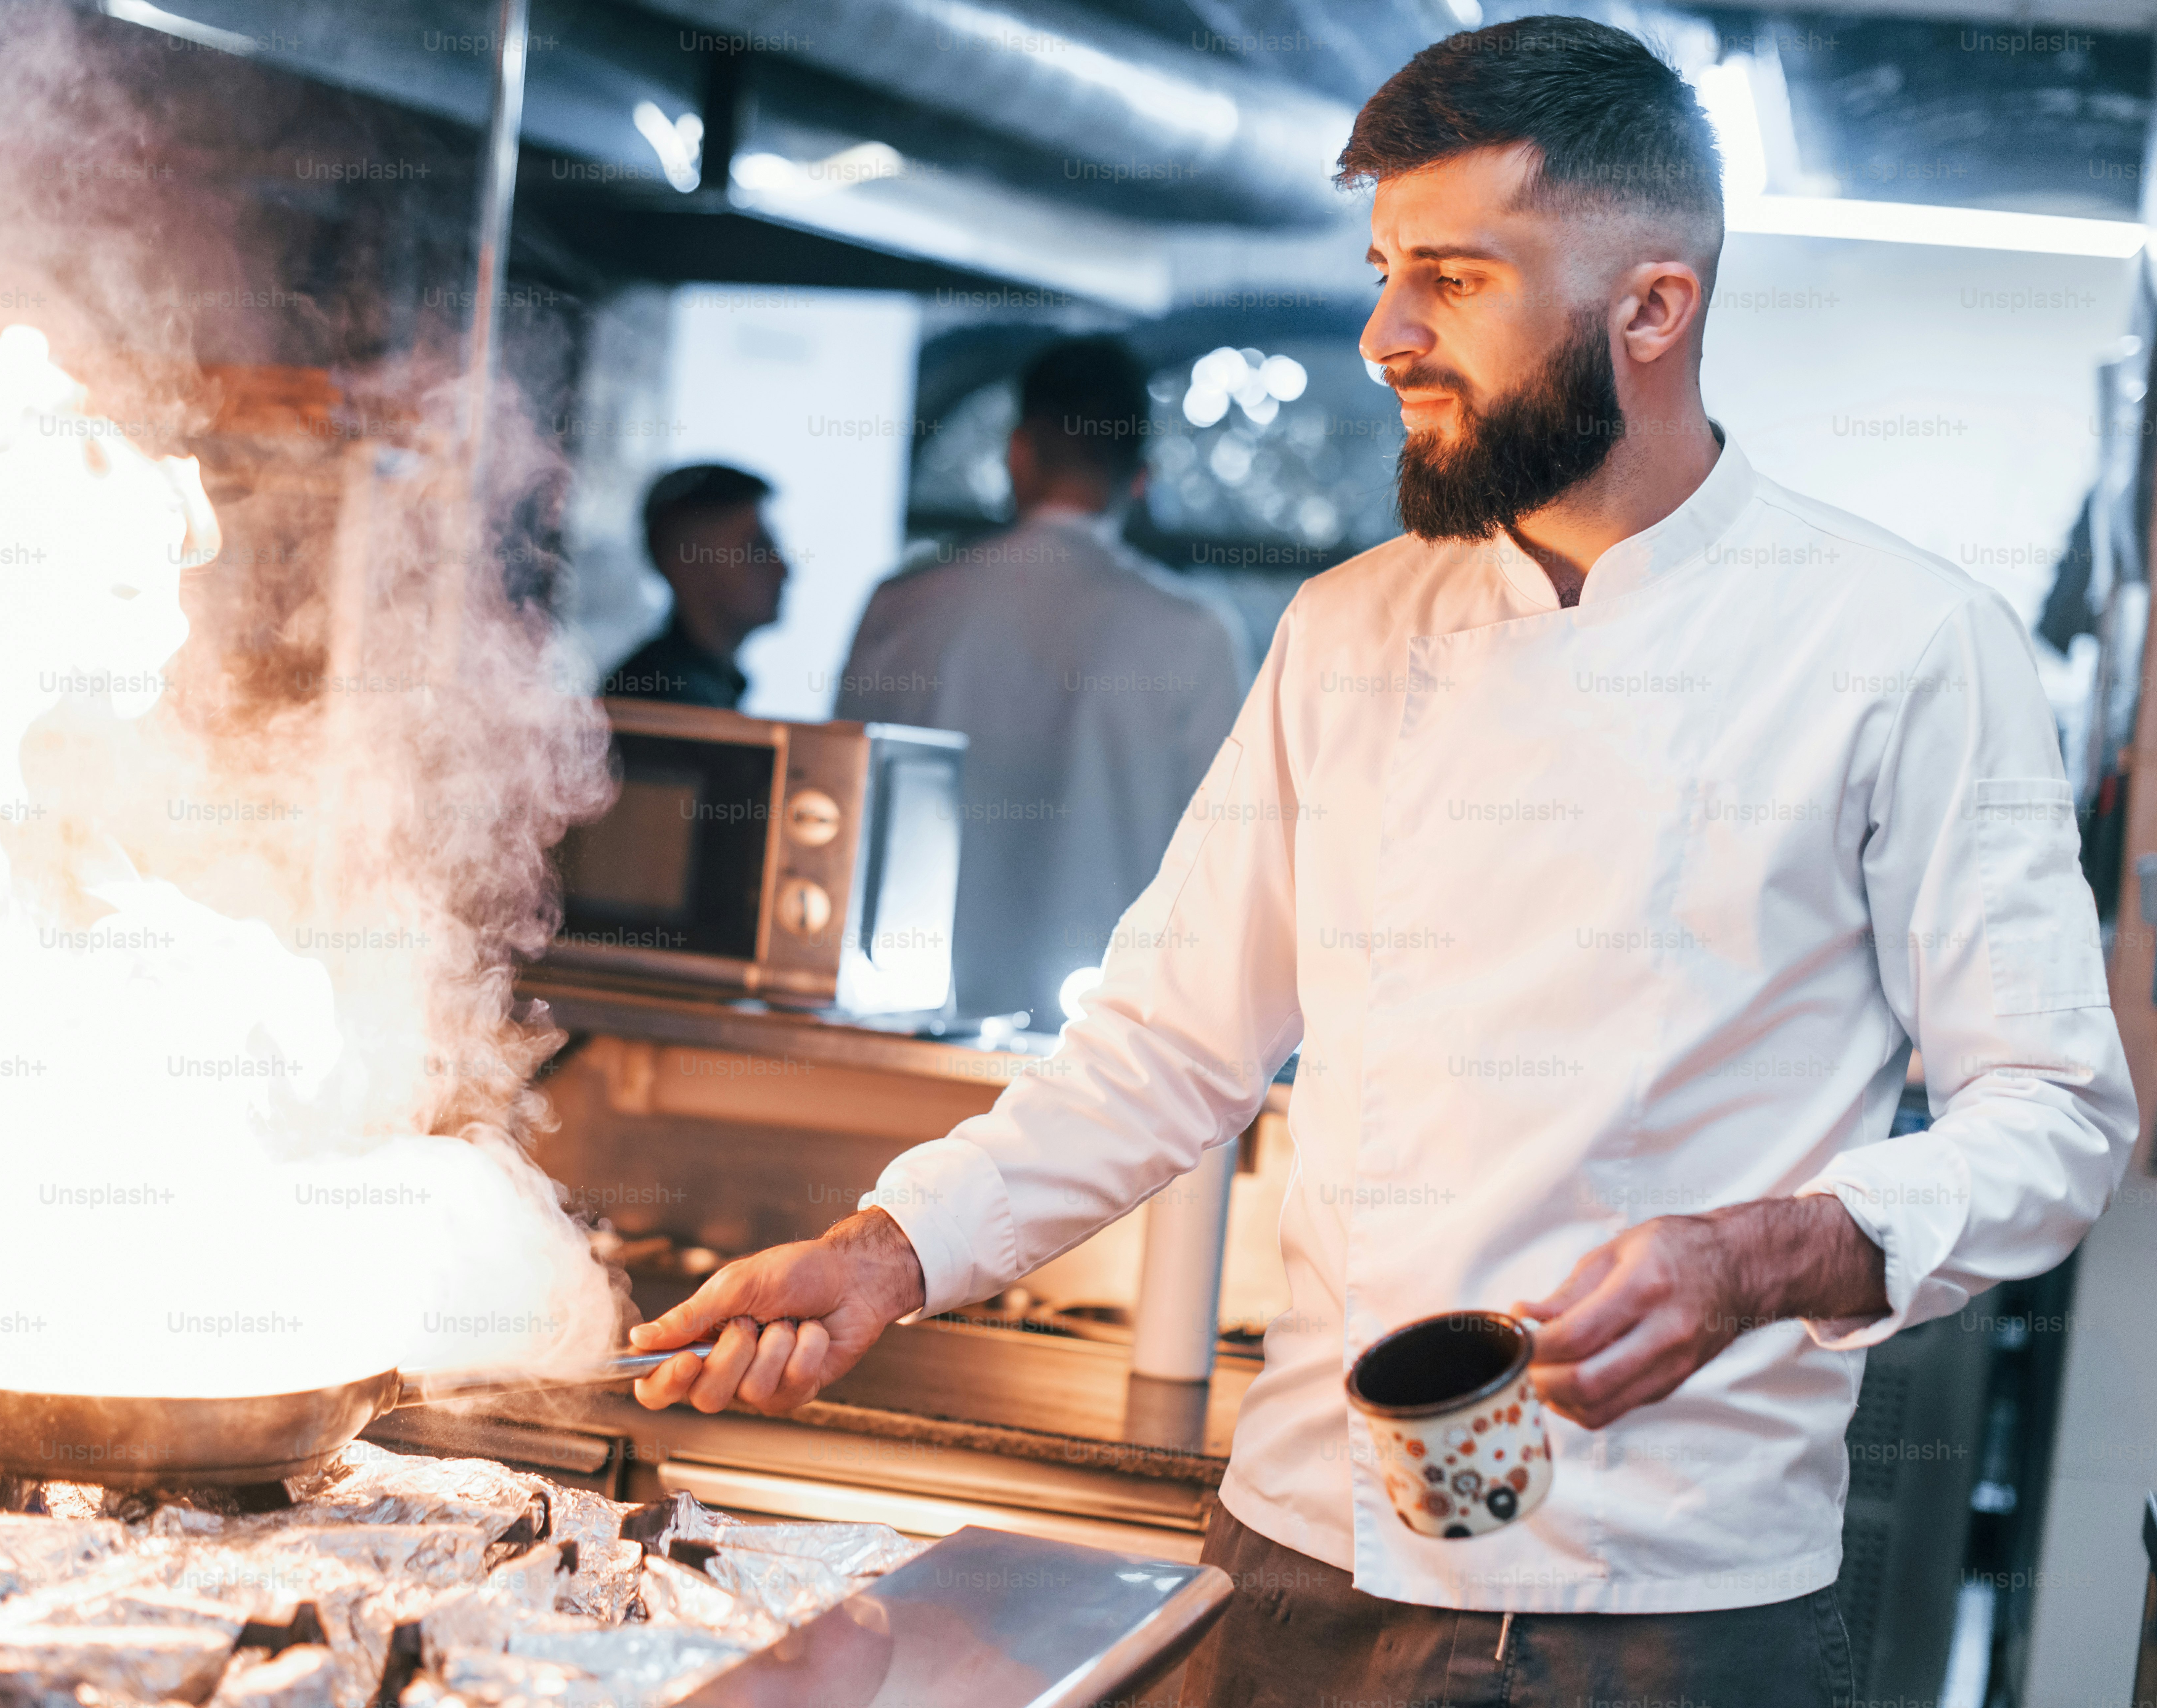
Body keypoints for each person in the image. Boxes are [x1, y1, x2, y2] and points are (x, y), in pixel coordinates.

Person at [628, 17, 2135, 1704]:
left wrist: (1757, 1256)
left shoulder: (1906, 646)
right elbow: (1164, 1046)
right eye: (1380, 271)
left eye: (1451, 279)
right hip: (1297, 1553)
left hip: (1665, 1607)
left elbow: (2055, 1116)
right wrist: (889, 1249)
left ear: (1652, 309)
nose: (1381, 335)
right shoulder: (1345, 629)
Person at [833, 336, 1244, 1025]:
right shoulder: (1193, 636)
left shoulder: (902, 608)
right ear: (1140, 479)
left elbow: (837, 815)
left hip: (898, 1022)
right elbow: (1227, 868)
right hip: (1106, 1042)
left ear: (1017, 454)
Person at [602, 464, 788, 710]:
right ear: (687, 563)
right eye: (758, 549)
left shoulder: (688, 689)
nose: (782, 569)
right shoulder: (657, 701)